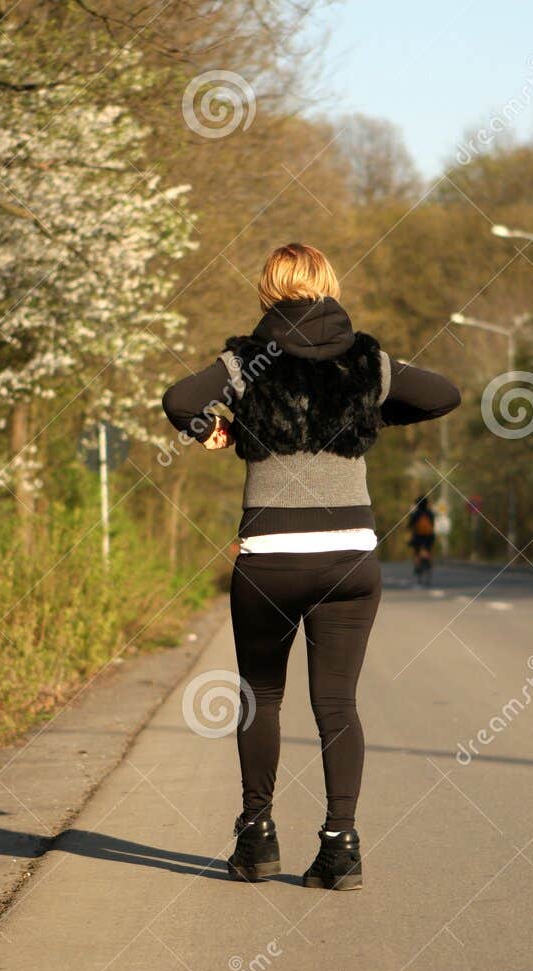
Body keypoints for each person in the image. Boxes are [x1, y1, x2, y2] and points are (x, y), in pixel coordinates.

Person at [162, 243, 459, 890]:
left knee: (260, 696)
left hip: (269, 560)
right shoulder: (366, 360)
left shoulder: (245, 361)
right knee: (337, 703)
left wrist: (216, 430)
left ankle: (257, 837)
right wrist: (371, 410)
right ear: (327, 285)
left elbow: (180, 398)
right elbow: (444, 395)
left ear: (268, 289)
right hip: (350, 557)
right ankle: (340, 845)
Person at [408, 495, 436, 586]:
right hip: (429, 537)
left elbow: (410, 526)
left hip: (418, 538)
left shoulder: (415, 514)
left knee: (416, 554)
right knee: (428, 552)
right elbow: (433, 525)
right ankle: (429, 569)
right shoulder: (430, 513)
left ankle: (418, 572)